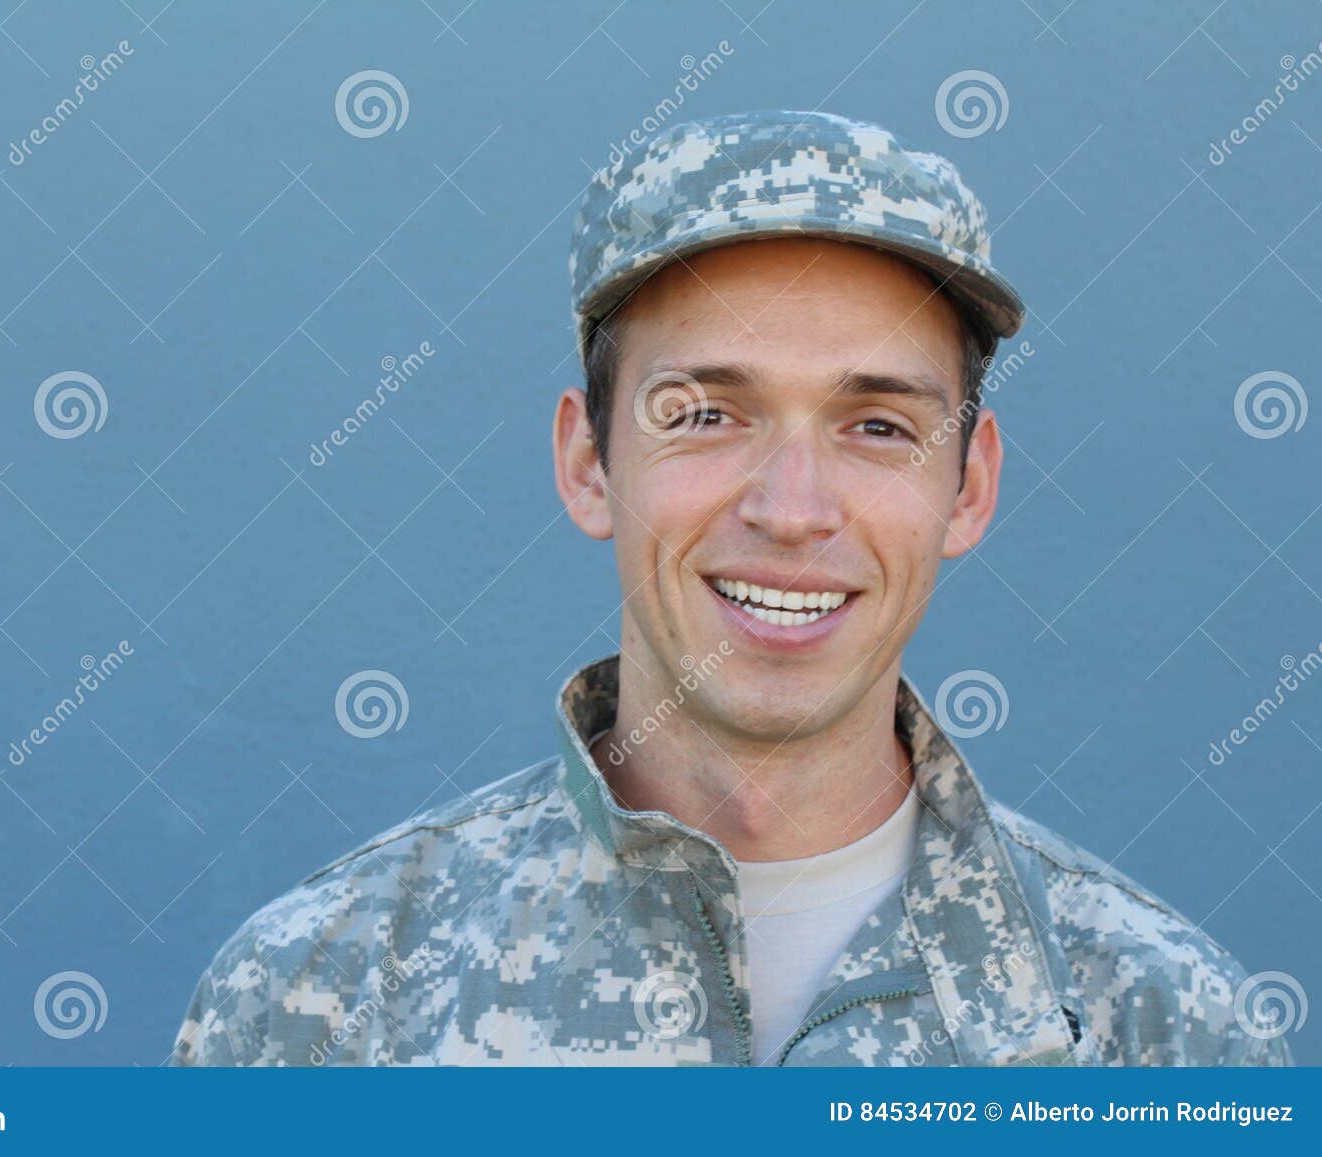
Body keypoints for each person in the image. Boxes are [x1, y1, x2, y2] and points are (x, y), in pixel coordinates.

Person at [172, 110, 1288, 1066]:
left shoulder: (1159, 1030)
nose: (792, 507)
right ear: (588, 461)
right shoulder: (325, 1002)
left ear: (968, 484)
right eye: (706, 412)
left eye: (878, 425)